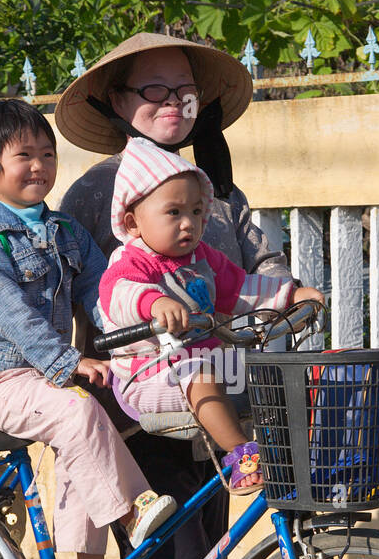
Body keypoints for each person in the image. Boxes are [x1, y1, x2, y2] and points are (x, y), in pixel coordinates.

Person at [57, 32, 291, 559]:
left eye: (182, 91)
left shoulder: (223, 197)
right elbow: (83, 297)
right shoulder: (97, 194)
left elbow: (256, 273)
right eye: (151, 90)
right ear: (118, 102)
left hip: (217, 403)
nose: (169, 103)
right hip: (136, 411)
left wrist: (284, 295)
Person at [0, 98, 176, 559]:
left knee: (87, 428)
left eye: (47, 154)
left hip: (47, 378)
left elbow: (100, 298)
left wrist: (143, 335)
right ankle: (131, 509)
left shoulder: (67, 232)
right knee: (80, 411)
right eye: (23, 156)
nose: (39, 166)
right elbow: (14, 317)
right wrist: (68, 362)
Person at [99, 136, 323, 491]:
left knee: (270, 373)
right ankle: (241, 456)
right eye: (174, 212)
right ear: (132, 223)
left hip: (201, 362)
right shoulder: (131, 261)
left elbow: (241, 288)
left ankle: (304, 453)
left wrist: (290, 294)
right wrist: (155, 303)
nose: (188, 223)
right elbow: (120, 295)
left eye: (196, 212)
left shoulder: (203, 257)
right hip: (146, 375)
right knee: (200, 373)